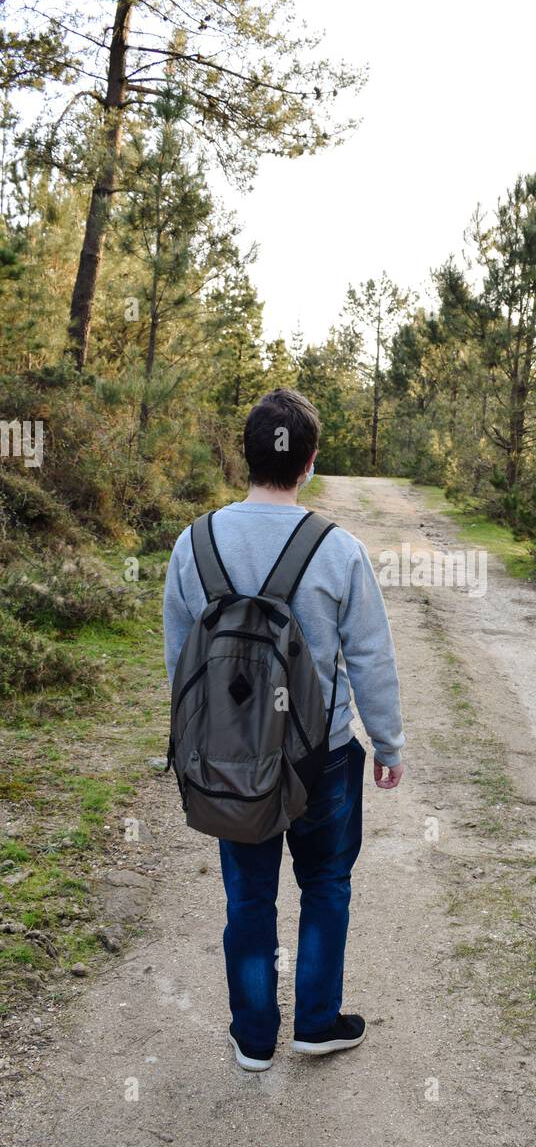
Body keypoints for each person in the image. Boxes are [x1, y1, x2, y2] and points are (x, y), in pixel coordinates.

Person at [162, 389, 405, 1070]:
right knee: (325, 883)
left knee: (248, 896)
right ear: (310, 462)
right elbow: (371, 658)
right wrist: (388, 743)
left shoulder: (193, 543)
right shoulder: (338, 549)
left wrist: (198, 744)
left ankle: (253, 1037)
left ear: (245, 455)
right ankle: (317, 1023)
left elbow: (181, 661)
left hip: (230, 760)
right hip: (322, 758)